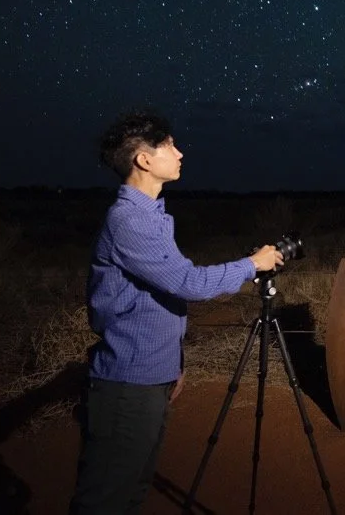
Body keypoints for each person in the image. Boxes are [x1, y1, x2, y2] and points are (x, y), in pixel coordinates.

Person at [70, 111, 284, 515]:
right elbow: (188, 283)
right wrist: (252, 265)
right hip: (127, 384)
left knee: (132, 491)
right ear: (144, 160)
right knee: (105, 499)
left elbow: (159, 300)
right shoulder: (129, 220)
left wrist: (173, 366)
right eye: (169, 146)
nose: (180, 153)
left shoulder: (152, 215)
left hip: (150, 375)